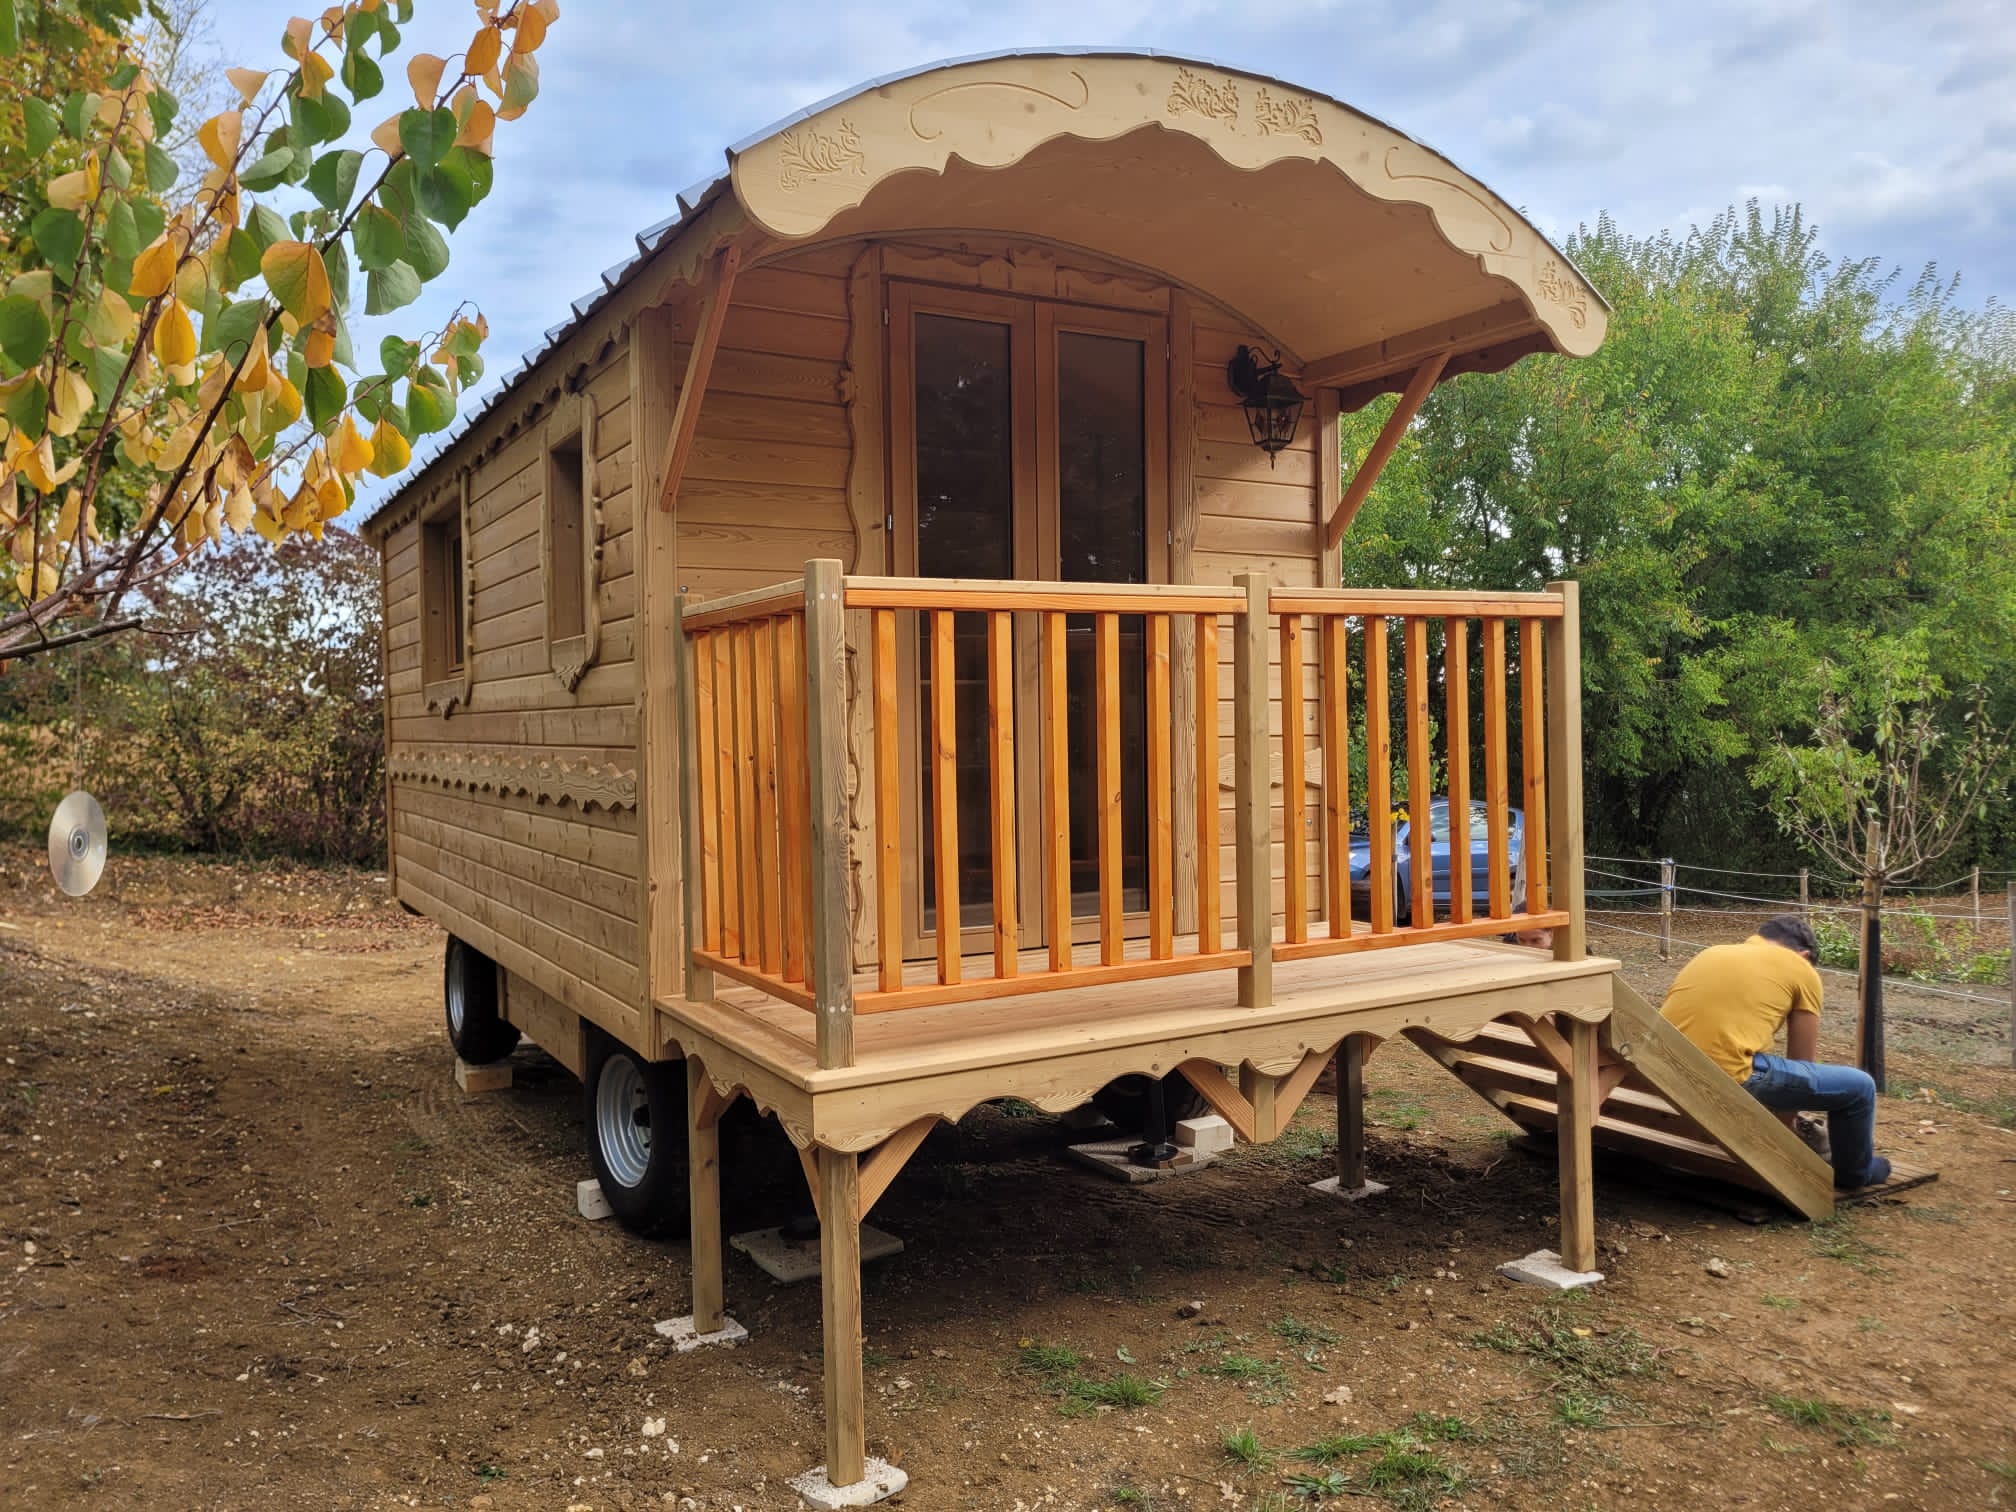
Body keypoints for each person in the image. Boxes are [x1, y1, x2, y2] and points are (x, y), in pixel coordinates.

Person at [1659, 913, 1891, 1191]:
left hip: (1661, 1070)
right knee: (1861, 1087)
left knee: (1763, 1063)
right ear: (1804, 955)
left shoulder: (1713, 952)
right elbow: (1802, 1064)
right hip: (1721, 1078)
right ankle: (1855, 1174)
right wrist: (1784, 1135)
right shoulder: (1801, 969)